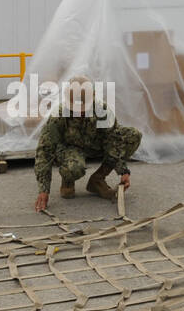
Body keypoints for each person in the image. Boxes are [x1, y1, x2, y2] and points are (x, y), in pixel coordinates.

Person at [34, 76, 142, 212]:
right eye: (76, 108)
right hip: (70, 149)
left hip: (96, 144)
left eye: (84, 107)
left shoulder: (102, 110)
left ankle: (97, 179)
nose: (80, 112)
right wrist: (44, 190)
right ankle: (68, 179)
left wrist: (123, 171)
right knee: (73, 168)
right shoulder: (59, 114)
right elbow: (44, 150)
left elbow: (113, 140)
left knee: (133, 136)